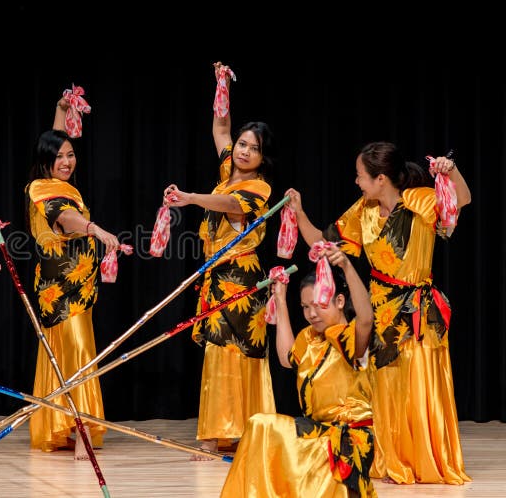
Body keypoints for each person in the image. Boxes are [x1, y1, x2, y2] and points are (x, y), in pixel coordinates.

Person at [286, 141, 472, 484]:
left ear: (381, 178)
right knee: (387, 389)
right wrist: (298, 211)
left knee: (419, 386)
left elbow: (461, 200)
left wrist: (452, 171)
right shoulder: (364, 211)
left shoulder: (420, 201)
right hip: (382, 312)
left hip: (416, 312)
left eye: (360, 176)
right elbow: (321, 241)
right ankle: (393, 461)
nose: (357, 182)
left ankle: (425, 461)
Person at [163, 62, 275, 460]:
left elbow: (230, 204)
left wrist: (192, 198)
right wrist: (221, 85)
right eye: (243, 144)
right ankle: (215, 434)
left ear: (263, 156)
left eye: (253, 148)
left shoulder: (259, 188)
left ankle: (246, 432)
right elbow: (221, 128)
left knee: (241, 351)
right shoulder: (228, 169)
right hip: (217, 275)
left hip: (242, 278)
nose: (243, 151)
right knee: (217, 351)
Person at [221, 244, 376, 497]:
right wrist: (280, 299)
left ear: (339, 301)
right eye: (305, 307)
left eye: (318, 304)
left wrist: (346, 266)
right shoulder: (310, 337)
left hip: (347, 439)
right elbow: (286, 358)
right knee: (260, 425)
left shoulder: (349, 339)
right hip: (317, 432)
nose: (311, 314)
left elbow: (366, 319)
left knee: (264, 427)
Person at [25, 94, 121, 460]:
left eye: (70, 154)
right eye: (58, 157)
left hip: (77, 286)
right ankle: (82, 431)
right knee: (78, 353)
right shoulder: (43, 189)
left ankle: (65, 425)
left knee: (69, 353)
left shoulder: (58, 184)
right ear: (45, 161)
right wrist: (96, 229)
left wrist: (62, 111)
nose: (66, 161)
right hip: (60, 290)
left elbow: (54, 140)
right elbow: (65, 218)